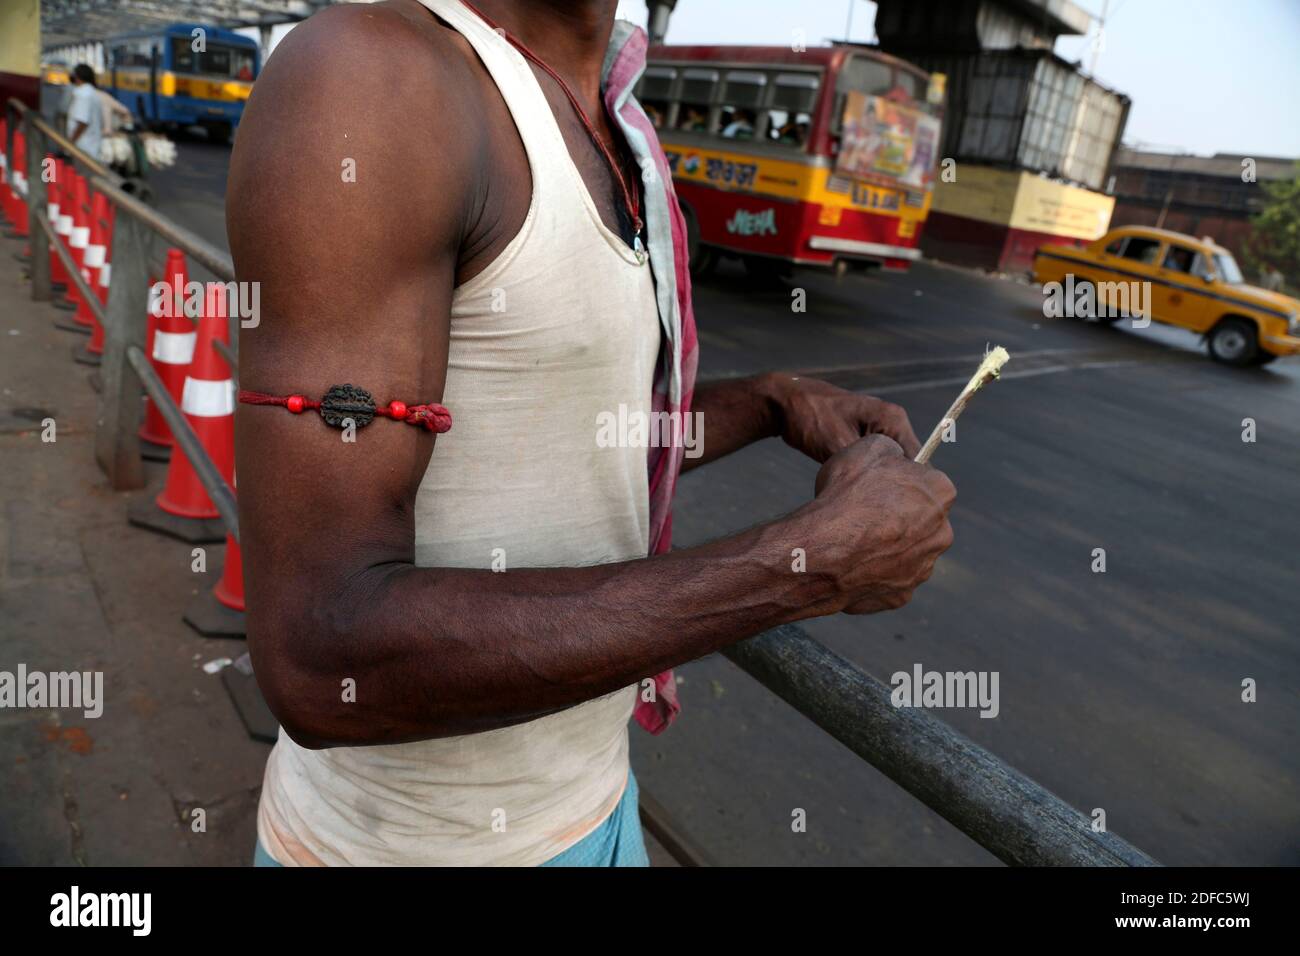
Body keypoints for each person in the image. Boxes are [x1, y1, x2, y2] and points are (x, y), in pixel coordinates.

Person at [226, 0, 953, 868]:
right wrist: (804, 564)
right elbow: (318, 650)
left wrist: (767, 401)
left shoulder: (615, 122)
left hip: (600, 810)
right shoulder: (374, 77)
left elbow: (568, 430)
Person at [65, 64, 104, 162]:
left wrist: (70, 142)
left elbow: (82, 122)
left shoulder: (82, 94)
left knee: (82, 175)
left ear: (78, 77)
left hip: (83, 148)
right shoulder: (92, 92)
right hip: (91, 145)